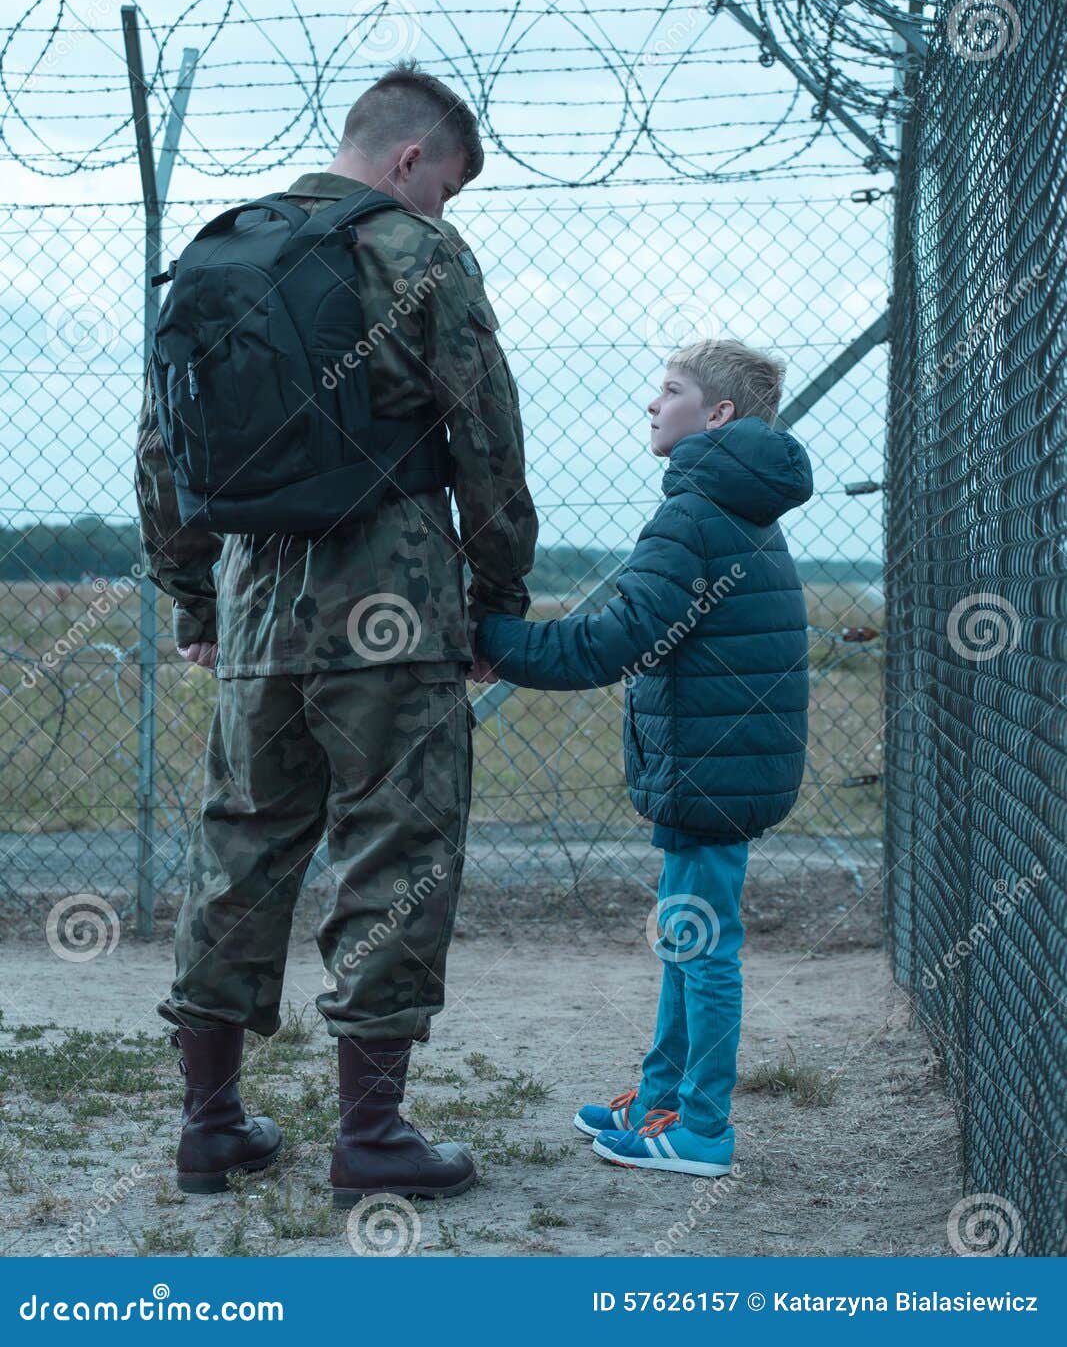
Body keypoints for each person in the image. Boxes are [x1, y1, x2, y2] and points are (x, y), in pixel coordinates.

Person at [136, 62, 537, 1202]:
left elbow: (162, 449)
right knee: (396, 857)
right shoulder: (419, 255)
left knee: (239, 853)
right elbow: (486, 439)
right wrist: (496, 598)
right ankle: (370, 1137)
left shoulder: (226, 254)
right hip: (392, 611)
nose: (441, 207)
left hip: (257, 614)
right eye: (444, 186)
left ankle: (210, 1125)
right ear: (409, 160)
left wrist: (196, 599)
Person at [476, 337, 811, 1179]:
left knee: (704, 945)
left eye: (669, 390)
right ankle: (662, 1097)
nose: (651, 404)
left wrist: (491, 642)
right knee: (685, 937)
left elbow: (609, 642)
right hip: (719, 764)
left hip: (711, 767)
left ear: (717, 414)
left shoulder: (692, 514)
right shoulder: (735, 505)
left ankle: (701, 1129)